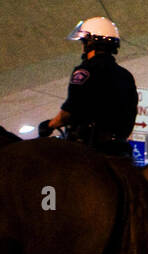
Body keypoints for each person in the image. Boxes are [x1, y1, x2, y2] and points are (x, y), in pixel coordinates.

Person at [40, 17, 138, 157]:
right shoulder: (126, 75)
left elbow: (70, 111)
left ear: (90, 43)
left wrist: (50, 125)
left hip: (89, 150)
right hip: (120, 150)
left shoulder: (85, 70)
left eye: (83, 42)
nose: (82, 46)